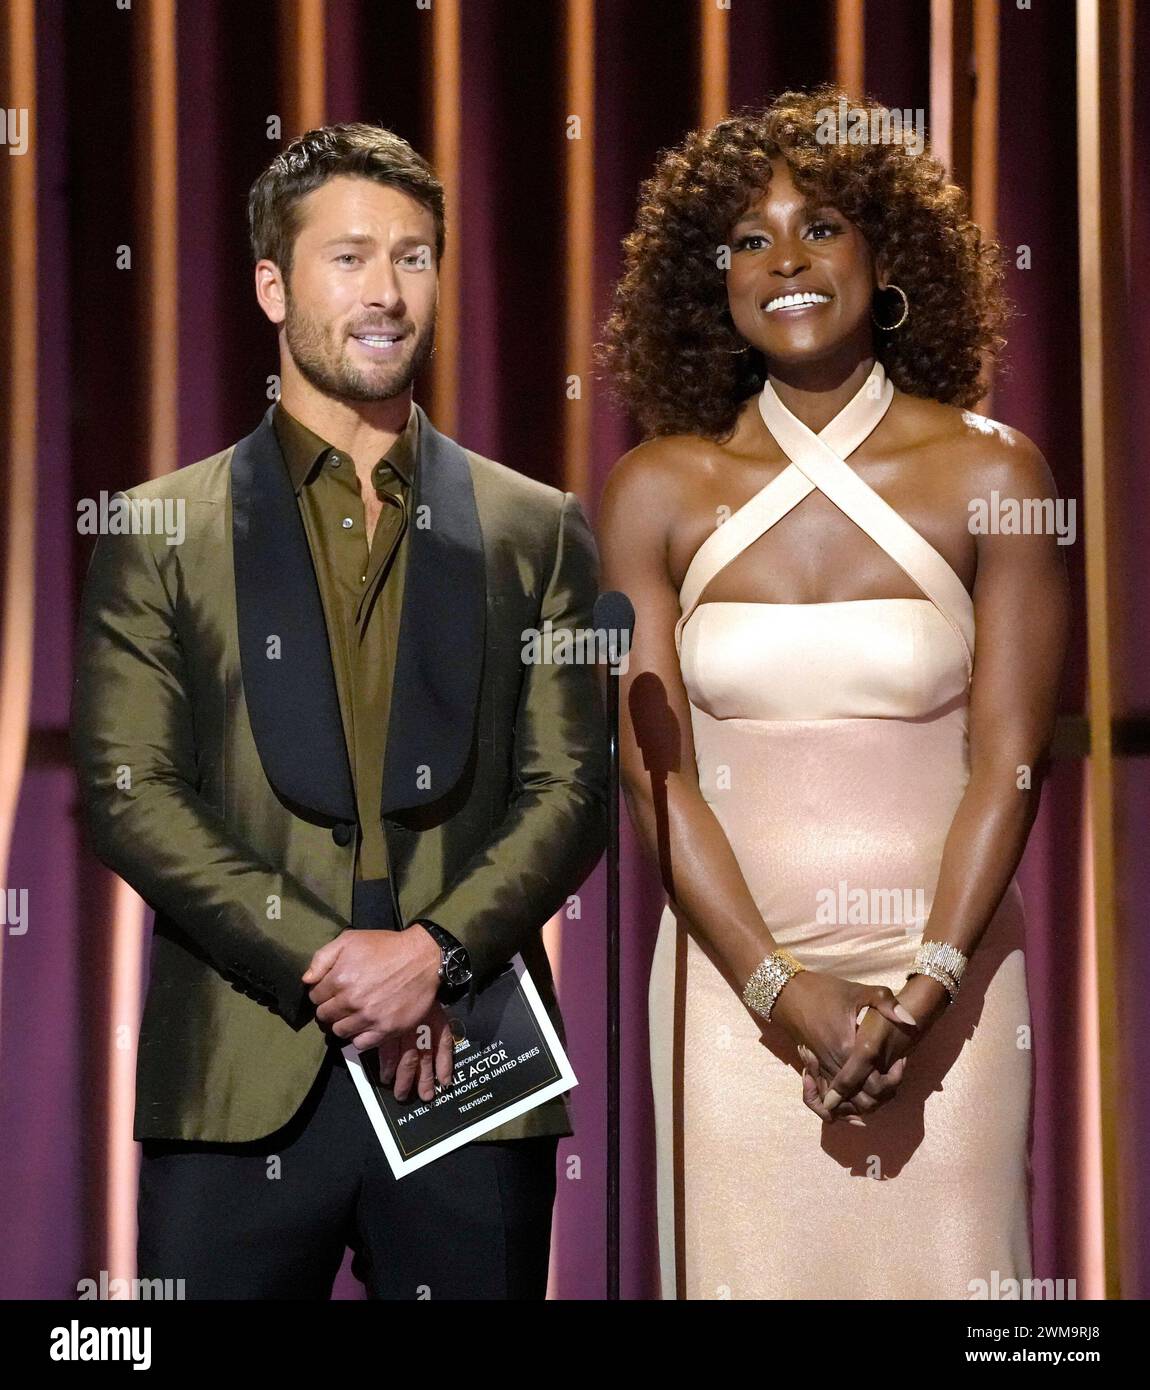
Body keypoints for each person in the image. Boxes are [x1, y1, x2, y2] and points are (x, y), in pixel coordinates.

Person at [71, 123, 607, 1300]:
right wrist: (334, 965)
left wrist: (436, 955)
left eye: (414, 258)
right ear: (273, 285)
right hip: (238, 1079)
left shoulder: (533, 524)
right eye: (350, 258)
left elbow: (572, 790)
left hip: (470, 1068)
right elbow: (129, 794)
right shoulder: (161, 528)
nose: (386, 293)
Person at [596, 87, 1068, 1299]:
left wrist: (923, 993)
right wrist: (776, 985)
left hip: (945, 985)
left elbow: (1013, 761)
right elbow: (657, 783)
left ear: (885, 254)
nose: (787, 261)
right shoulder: (655, 488)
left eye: (820, 228)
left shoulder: (990, 468)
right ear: (716, 284)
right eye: (749, 240)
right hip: (730, 992)